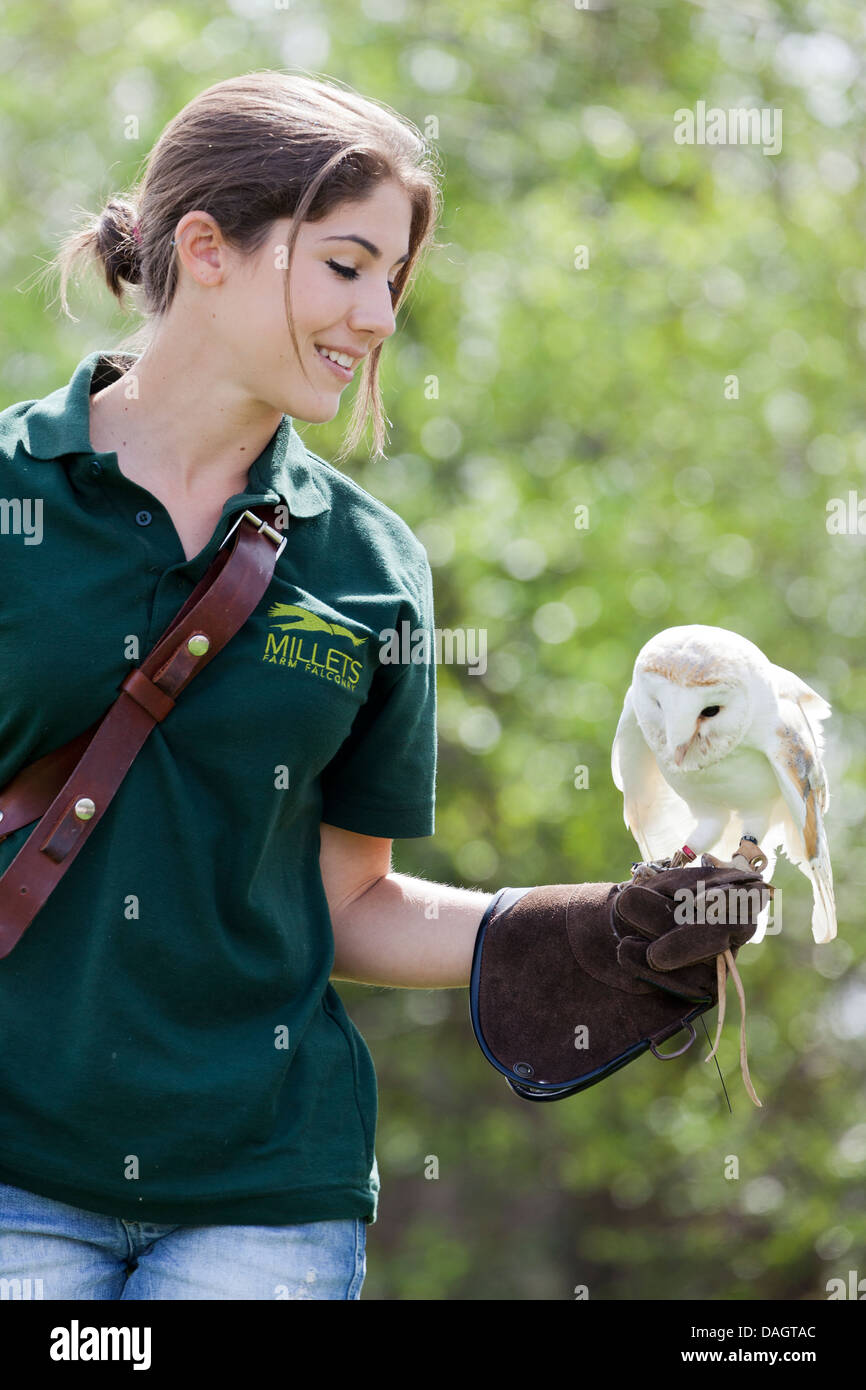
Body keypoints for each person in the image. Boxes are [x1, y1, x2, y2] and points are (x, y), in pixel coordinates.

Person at [0, 69, 767, 1303]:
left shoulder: (368, 566)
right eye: (345, 266)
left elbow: (344, 900)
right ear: (207, 248)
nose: (374, 316)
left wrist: (586, 927)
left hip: (264, 1191)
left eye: (393, 281)